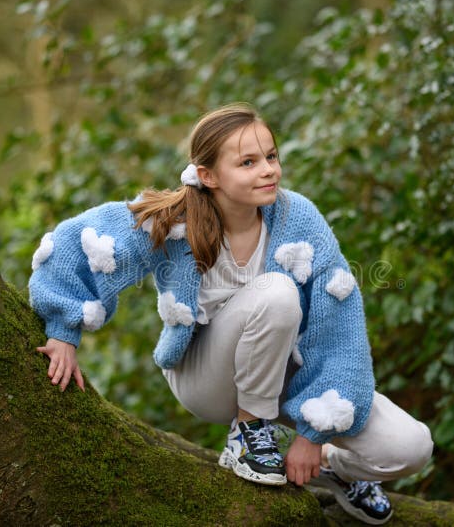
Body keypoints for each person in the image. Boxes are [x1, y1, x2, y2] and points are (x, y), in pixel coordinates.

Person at [28, 103, 433, 525]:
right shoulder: (175, 219)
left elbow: (339, 327)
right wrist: (63, 331)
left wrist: (315, 436)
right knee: (277, 293)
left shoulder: (299, 220)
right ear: (208, 176)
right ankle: (247, 434)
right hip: (205, 376)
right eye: (248, 162)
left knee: (410, 446)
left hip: (282, 373)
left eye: (271, 157)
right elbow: (83, 245)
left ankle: (332, 468)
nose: (268, 170)